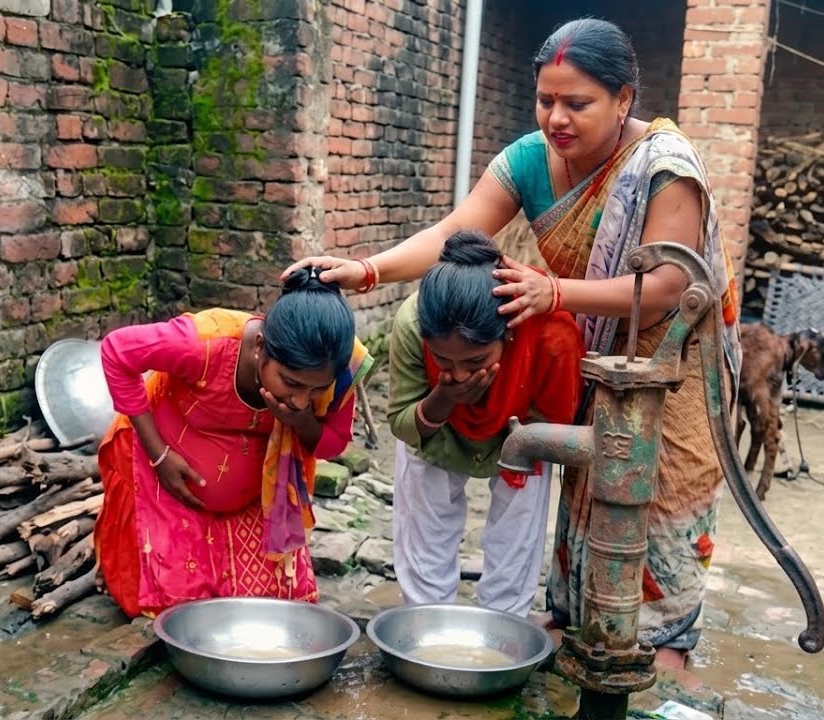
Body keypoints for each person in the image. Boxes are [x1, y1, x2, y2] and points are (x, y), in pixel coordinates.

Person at [283, 18, 742, 670]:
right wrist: (369, 271)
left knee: (660, 490)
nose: (556, 117)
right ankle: (580, 619)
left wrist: (556, 295)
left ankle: (664, 640)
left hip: (671, 352)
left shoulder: (664, 167)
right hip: (591, 339)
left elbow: (669, 283)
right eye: (545, 100)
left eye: (577, 103)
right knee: (588, 483)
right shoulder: (530, 159)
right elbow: (454, 230)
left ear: (623, 99)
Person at [93, 268, 374, 618]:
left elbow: (331, 445)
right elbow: (117, 352)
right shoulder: (203, 343)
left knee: (272, 611)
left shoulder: (341, 364)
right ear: (260, 348)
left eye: (316, 390)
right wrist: (159, 455)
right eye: (291, 382)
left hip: (257, 495)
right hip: (161, 471)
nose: (303, 399)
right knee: (172, 609)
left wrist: (299, 422)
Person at [388, 230, 583, 617]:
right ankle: (426, 624)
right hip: (436, 432)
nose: (459, 375)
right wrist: (442, 399)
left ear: (508, 334)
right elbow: (402, 423)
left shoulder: (549, 336)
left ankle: (504, 627)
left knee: (518, 531)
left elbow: (553, 430)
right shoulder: (413, 321)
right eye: (444, 361)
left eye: (475, 362)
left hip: (519, 435)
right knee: (425, 529)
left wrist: (516, 442)